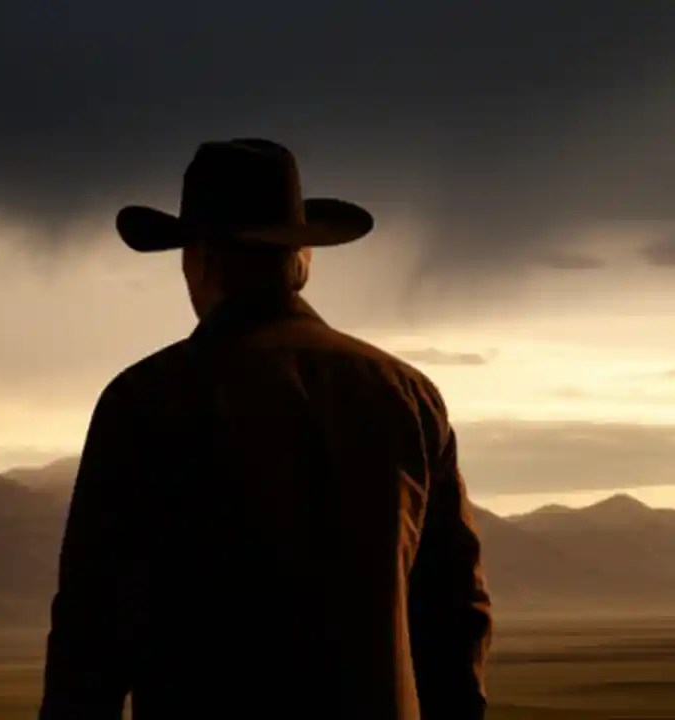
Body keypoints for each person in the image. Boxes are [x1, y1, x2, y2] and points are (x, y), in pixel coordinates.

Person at [39, 139, 491, 719]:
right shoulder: (407, 398)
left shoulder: (146, 402)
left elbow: (91, 631)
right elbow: (455, 612)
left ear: (197, 259)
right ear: (302, 258)